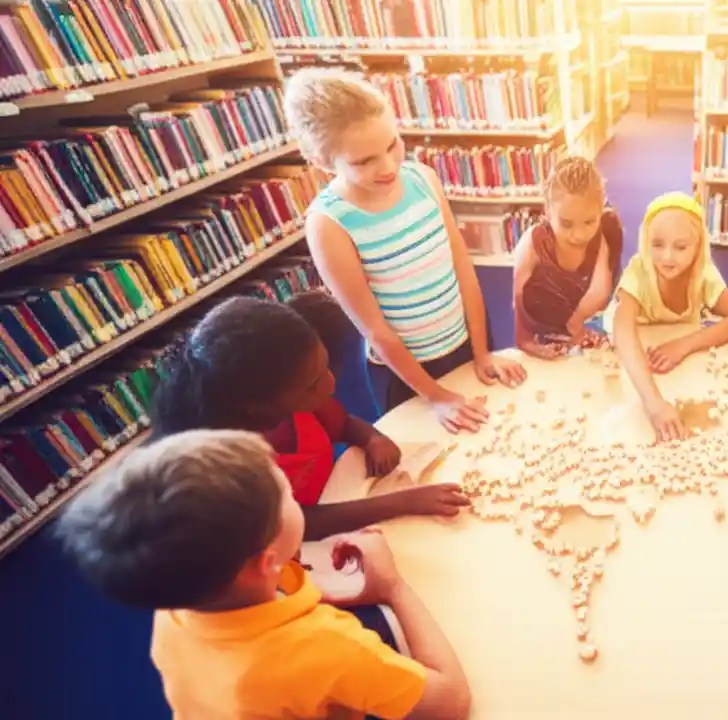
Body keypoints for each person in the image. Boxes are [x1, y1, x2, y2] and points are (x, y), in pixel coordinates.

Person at [57, 430, 471, 720]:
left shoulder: (176, 606)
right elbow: (450, 702)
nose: (294, 494)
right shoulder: (326, 647)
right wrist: (395, 587)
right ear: (265, 560)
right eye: (287, 493)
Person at [285, 68, 526, 433]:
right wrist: (437, 396)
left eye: (392, 144)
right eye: (364, 161)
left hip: (465, 341)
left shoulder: (423, 179)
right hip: (407, 374)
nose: (388, 166)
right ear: (322, 162)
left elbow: (464, 271)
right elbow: (375, 330)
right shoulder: (328, 225)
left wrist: (482, 352)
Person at [150, 296, 470, 541]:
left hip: (339, 497)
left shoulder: (306, 408)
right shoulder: (223, 472)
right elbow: (299, 522)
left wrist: (373, 438)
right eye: (313, 384)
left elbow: (345, 425)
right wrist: (404, 502)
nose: (332, 384)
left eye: (326, 367)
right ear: (256, 405)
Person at [611, 191, 728, 441]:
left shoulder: (704, 273)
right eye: (657, 245)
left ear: (698, 247)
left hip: (678, 356)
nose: (667, 256)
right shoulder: (638, 270)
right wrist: (654, 403)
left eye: (680, 247)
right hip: (637, 355)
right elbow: (622, 332)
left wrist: (683, 345)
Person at [513, 156, 623, 358]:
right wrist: (526, 342)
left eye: (589, 222)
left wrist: (578, 327)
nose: (579, 235)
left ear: (600, 209)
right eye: (566, 224)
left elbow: (599, 292)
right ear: (548, 212)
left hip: (587, 322)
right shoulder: (533, 244)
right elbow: (520, 299)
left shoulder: (604, 233)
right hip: (548, 331)